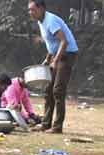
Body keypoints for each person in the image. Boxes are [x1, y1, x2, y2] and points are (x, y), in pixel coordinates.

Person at [28, 0, 78, 133]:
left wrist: (55, 60)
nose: (30, 13)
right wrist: (47, 59)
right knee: (48, 90)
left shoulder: (51, 21)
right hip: (56, 55)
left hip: (67, 54)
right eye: (29, 10)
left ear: (41, 8)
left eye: (33, 9)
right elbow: (52, 44)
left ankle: (57, 127)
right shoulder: (41, 22)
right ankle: (45, 124)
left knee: (58, 90)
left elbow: (64, 41)